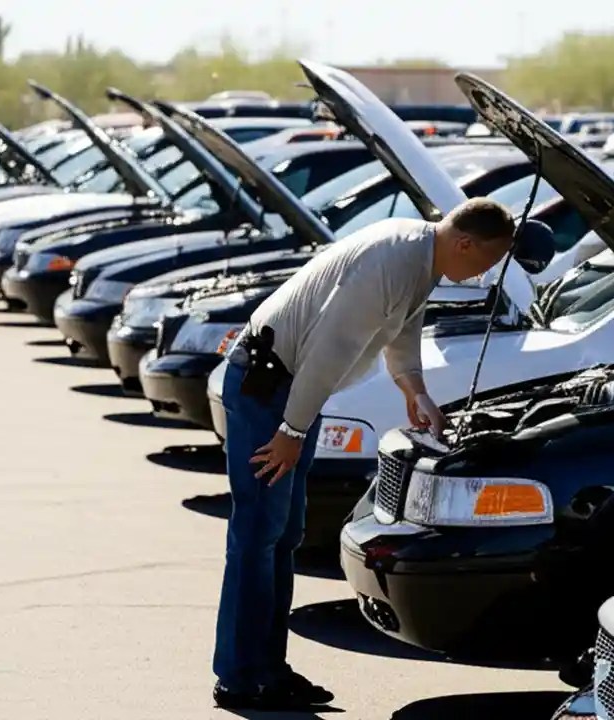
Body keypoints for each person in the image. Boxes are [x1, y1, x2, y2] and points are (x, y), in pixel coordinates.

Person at [212, 198, 520, 711]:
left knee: (283, 533)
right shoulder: (394, 260)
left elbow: (403, 330)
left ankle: (267, 668)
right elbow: (327, 350)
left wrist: (413, 390)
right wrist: (291, 429)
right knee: (258, 535)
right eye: (486, 262)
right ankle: (240, 675)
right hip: (268, 388)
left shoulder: (420, 254)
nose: (482, 275)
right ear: (464, 242)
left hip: (286, 390)